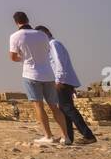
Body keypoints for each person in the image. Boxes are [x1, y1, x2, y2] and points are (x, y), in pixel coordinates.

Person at [9, 12, 69, 144]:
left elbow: (13, 57)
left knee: (38, 106)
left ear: (16, 22)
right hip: (48, 74)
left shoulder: (15, 36)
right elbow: (47, 51)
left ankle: (48, 136)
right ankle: (66, 137)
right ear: (28, 20)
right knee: (54, 106)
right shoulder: (42, 35)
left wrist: (24, 58)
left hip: (31, 74)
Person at [36, 25, 96, 145]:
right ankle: (68, 138)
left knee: (67, 108)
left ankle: (88, 135)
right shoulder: (52, 45)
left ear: (46, 33)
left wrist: (59, 80)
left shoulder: (53, 44)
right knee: (64, 109)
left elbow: (59, 62)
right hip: (63, 80)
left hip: (62, 81)